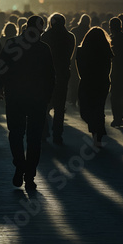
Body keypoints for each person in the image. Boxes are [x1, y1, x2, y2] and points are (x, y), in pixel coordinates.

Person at [0, 15, 55, 190]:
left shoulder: (11, 44)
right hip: (37, 98)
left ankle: (19, 164)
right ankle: (30, 174)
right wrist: (48, 97)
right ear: (40, 29)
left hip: (15, 96)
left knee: (15, 133)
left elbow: (1, 67)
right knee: (34, 137)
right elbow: (50, 76)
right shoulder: (44, 49)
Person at [41, 13, 76, 145]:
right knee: (60, 107)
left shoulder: (45, 36)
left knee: (44, 105)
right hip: (63, 73)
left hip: (47, 74)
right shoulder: (70, 37)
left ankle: (44, 132)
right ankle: (58, 134)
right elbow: (70, 56)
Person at [76, 27, 113, 147]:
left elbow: (80, 70)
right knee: (99, 108)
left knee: (86, 109)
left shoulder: (81, 51)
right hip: (102, 82)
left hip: (87, 82)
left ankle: (95, 132)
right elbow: (108, 68)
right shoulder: (106, 50)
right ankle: (98, 135)